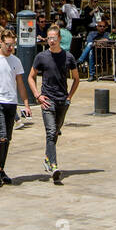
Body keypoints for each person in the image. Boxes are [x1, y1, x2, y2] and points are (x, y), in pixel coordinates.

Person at [28, 25, 80, 183]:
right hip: (47, 100)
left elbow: (76, 78)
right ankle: (54, 165)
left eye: (53, 38)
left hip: (62, 101)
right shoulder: (41, 57)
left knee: (55, 132)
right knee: (51, 132)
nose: (51, 41)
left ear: (59, 39)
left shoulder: (68, 57)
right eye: (48, 38)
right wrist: (38, 95)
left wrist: (69, 96)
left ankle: (47, 158)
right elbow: (31, 77)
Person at [0, 28, 31, 187]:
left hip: (11, 102)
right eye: (7, 44)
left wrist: (26, 104)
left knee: (7, 138)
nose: (10, 48)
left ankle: (1, 169)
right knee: (1, 135)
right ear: (0, 42)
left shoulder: (16, 61)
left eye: (13, 45)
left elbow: (20, 83)